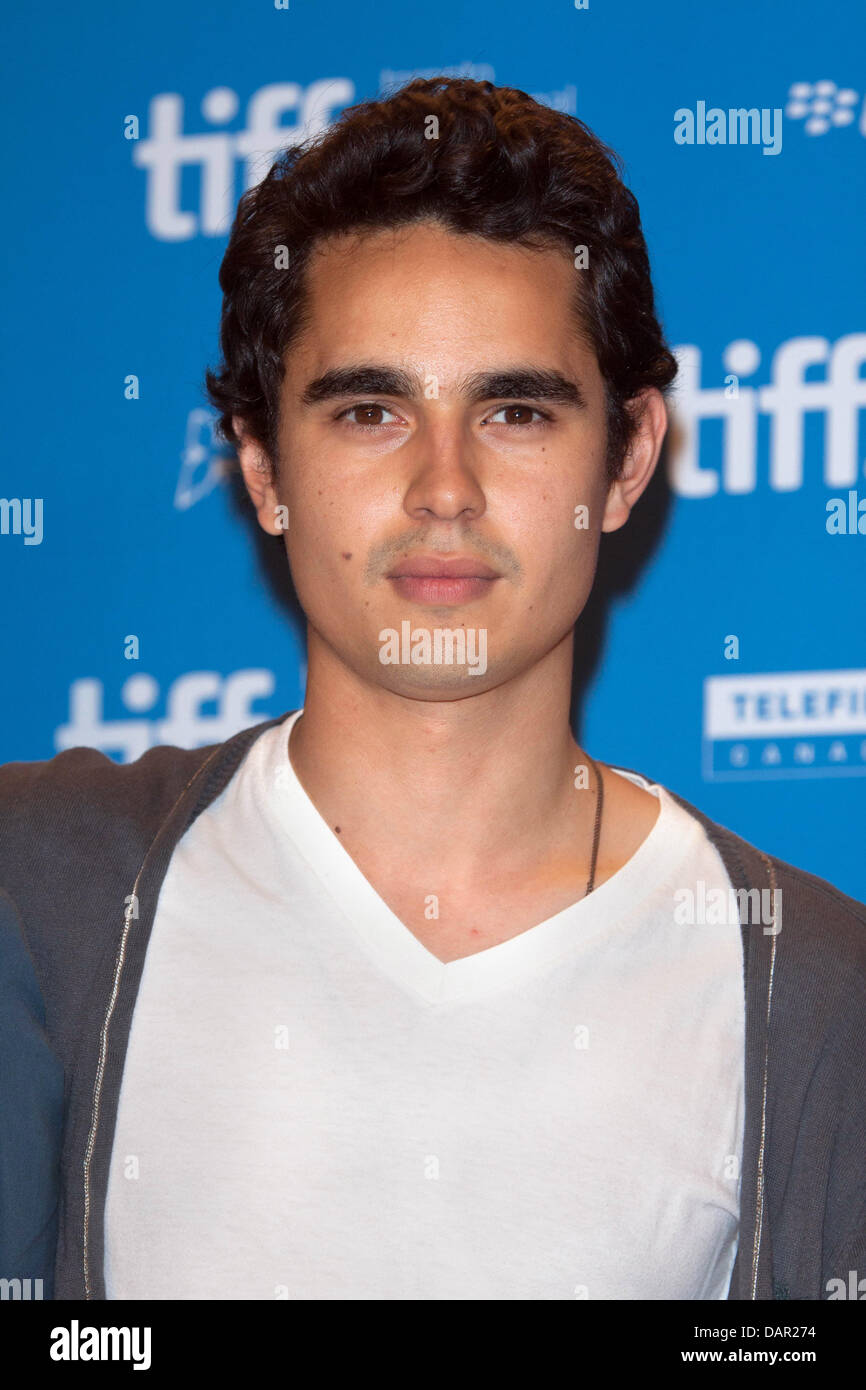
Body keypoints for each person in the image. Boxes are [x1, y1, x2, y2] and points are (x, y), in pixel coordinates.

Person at [1, 77, 863, 1302]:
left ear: (625, 459)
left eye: (514, 410)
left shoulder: (813, 989)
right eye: (368, 410)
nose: (442, 488)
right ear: (260, 465)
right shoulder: (38, 892)